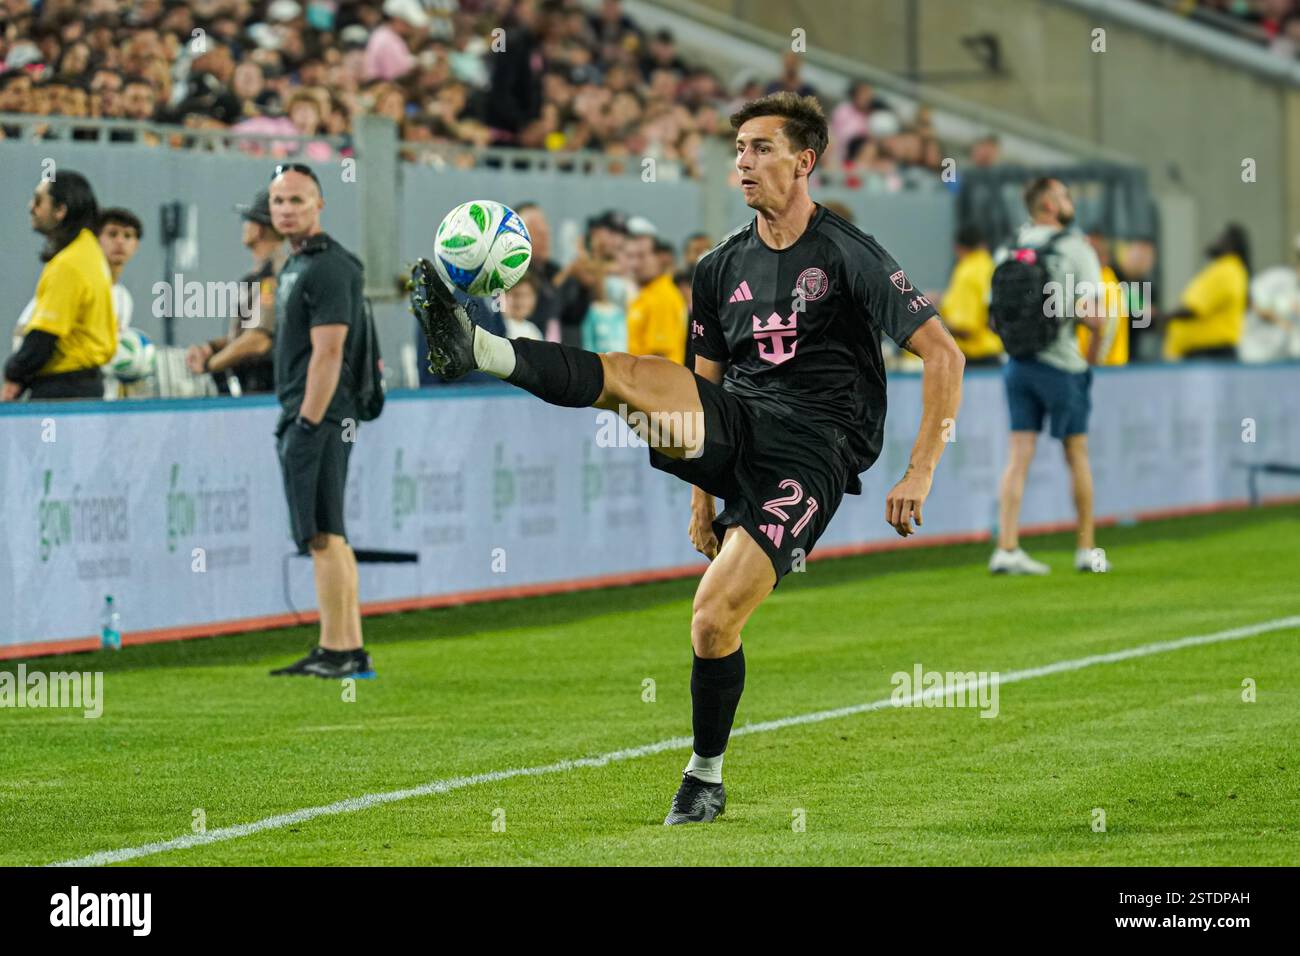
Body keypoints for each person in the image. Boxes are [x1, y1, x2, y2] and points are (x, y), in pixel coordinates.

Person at [409, 92, 963, 824]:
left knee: (711, 622)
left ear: (805, 161)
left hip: (815, 450)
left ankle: (705, 776)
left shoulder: (848, 255)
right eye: (738, 148)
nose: (744, 162)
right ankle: (477, 347)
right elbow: (701, 383)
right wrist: (702, 495)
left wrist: (919, 469)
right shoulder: (717, 266)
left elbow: (943, 355)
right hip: (736, 424)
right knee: (639, 378)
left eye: (762, 148)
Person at [264, 164, 374, 680]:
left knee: (321, 536)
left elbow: (328, 354)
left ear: (319, 204)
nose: (286, 209)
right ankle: (348, 648)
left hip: (320, 415)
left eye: (297, 200)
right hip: (318, 414)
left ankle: (336, 653)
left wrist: (307, 423)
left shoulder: (329, 267)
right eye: (279, 201)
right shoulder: (297, 264)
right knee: (332, 532)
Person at [991, 177, 1109, 576]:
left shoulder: (1007, 248)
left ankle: (1006, 547)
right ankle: (1086, 549)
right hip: (1062, 365)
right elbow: (1095, 318)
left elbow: (996, 316)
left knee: (1017, 457)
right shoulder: (1076, 248)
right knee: (1076, 455)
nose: (1068, 200)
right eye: (1063, 194)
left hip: (1018, 365)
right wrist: (1088, 364)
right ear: (1048, 203)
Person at [3, 172, 115, 401]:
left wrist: (13, 373)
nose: (30, 207)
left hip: (63, 391)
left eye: (38, 200)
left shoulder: (69, 263)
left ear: (60, 210)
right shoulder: (89, 250)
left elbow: (44, 337)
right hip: (85, 387)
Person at [185, 189, 284, 394]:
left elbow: (258, 341)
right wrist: (211, 348)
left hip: (269, 390)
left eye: (246, 221)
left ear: (258, 229)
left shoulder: (274, 276)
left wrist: (211, 364)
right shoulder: (260, 275)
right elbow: (246, 335)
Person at [1161, 224, 1251, 362]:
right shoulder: (1232, 271)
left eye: (1221, 237)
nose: (1215, 240)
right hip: (1208, 354)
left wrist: (1159, 318)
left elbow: (1194, 309)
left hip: (1209, 355)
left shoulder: (1226, 270)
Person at [939, 224, 1001, 368]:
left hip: (975, 360)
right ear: (983, 245)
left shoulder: (967, 273)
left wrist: (931, 319)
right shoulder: (992, 267)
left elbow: (965, 327)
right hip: (995, 357)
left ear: (958, 248)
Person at [625, 230, 688, 364]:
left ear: (661, 258)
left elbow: (659, 360)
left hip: (653, 382)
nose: (634, 264)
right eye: (630, 256)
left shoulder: (662, 298)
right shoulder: (646, 295)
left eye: (641, 256)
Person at [1240, 232, 1300, 363]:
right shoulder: (1276, 278)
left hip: (1285, 363)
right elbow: (1252, 303)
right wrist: (1278, 319)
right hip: (1254, 358)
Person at [1076, 232, 1128, 366]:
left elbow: (1101, 335)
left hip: (1102, 372)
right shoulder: (1111, 281)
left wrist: (1086, 371)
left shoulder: (1103, 287)